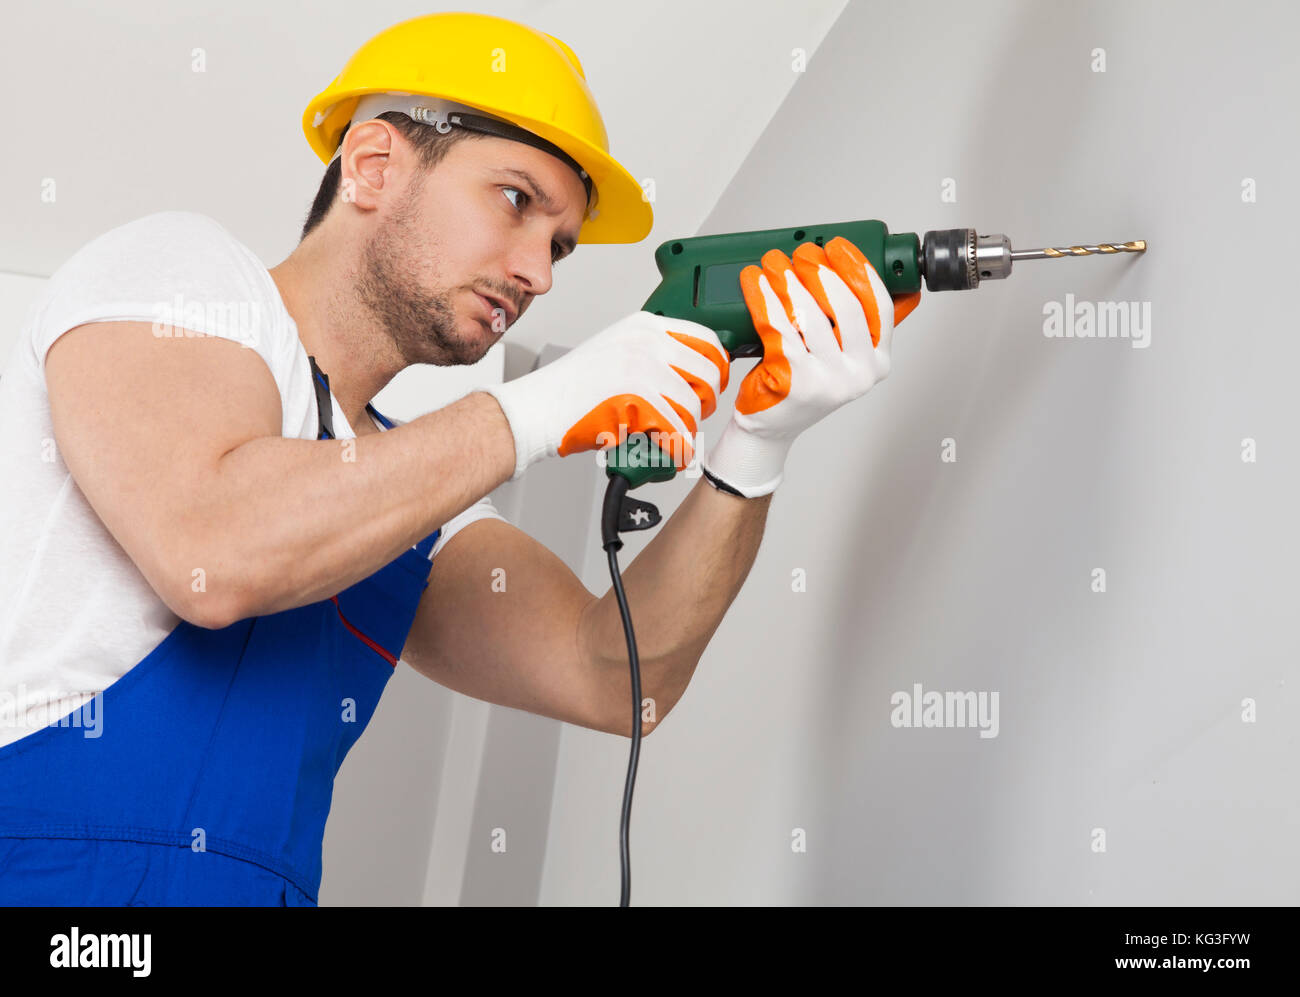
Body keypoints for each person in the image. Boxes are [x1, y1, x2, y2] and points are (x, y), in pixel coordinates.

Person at [0, 11, 919, 906]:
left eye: (559, 245)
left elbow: (614, 680)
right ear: (372, 165)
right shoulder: (178, 270)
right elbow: (213, 549)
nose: (542, 273)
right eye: (517, 201)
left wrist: (754, 451)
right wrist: (538, 408)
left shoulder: (414, 507)